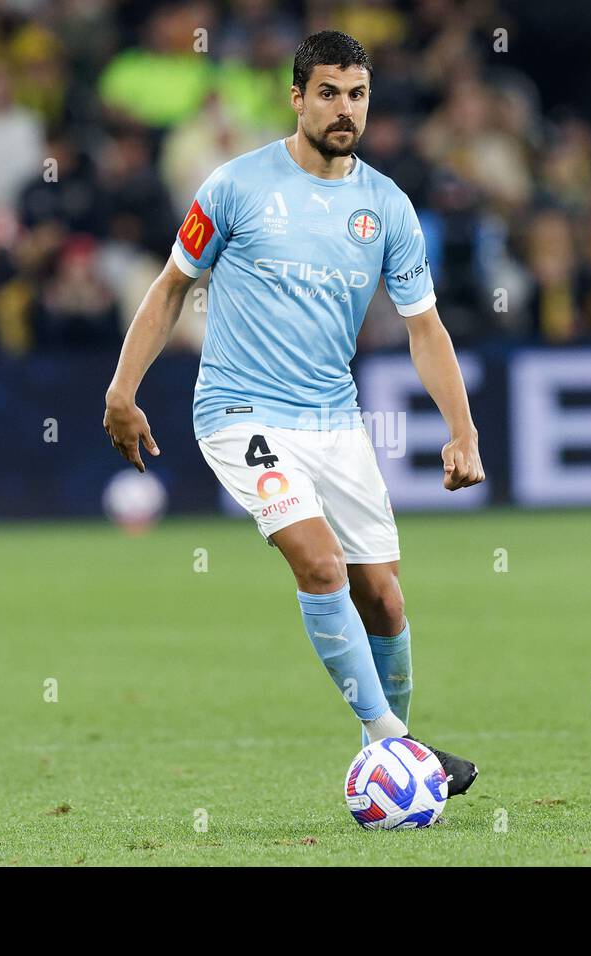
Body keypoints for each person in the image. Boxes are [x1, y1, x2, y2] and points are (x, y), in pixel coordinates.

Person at [103, 31, 483, 797]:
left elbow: (424, 328)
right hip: (240, 412)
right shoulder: (236, 186)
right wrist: (122, 389)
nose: (346, 110)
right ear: (297, 97)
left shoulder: (386, 208)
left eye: (359, 95)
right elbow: (172, 287)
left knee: (383, 596)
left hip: (334, 422)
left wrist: (462, 428)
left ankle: (391, 748)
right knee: (317, 561)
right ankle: (398, 750)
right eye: (330, 94)